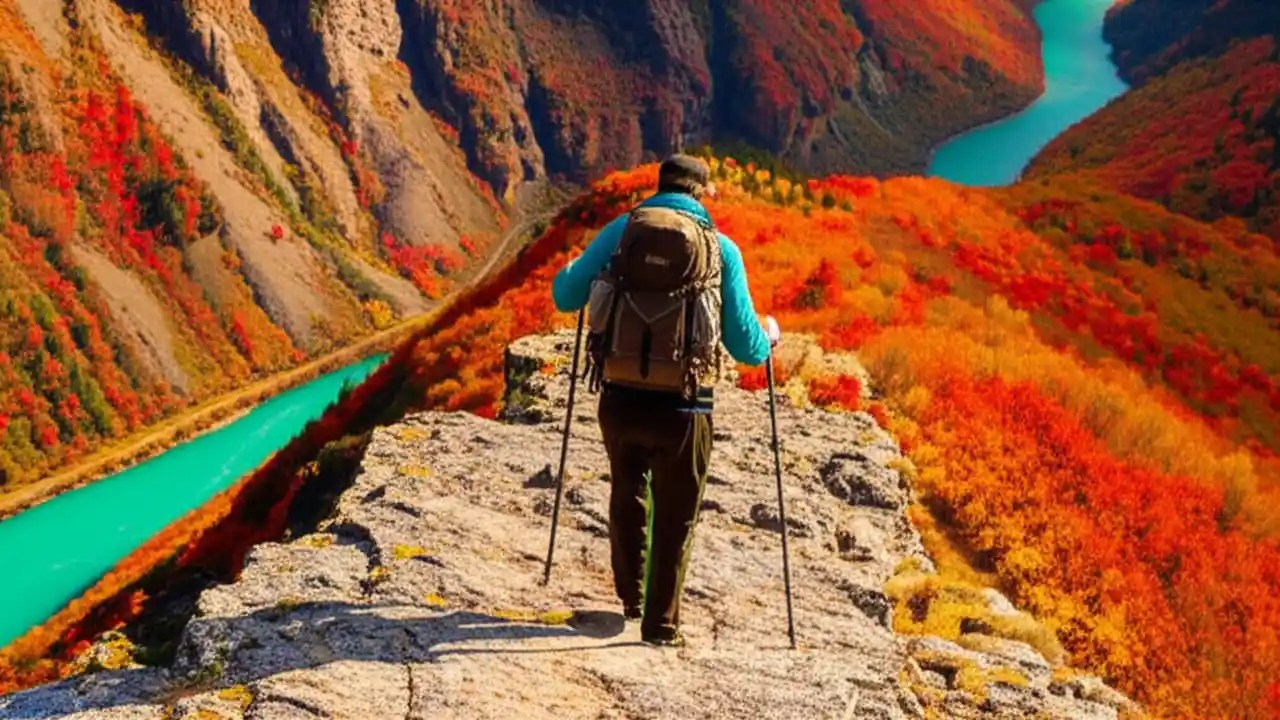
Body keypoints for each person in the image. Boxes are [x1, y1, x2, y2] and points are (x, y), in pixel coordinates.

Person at [551, 153, 780, 647]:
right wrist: (770, 341)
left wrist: (572, 268)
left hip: (619, 397)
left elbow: (566, 296)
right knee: (676, 514)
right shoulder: (721, 249)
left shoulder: (620, 232)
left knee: (625, 491)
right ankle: (660, 626)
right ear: (701, 194)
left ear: (660, 187)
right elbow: (744, 344)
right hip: (685, 406)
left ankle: (630, 599)